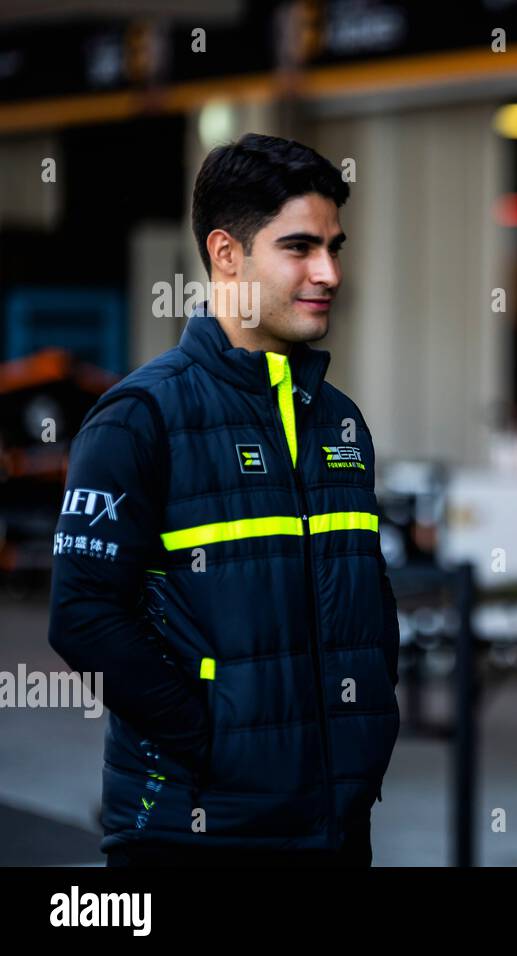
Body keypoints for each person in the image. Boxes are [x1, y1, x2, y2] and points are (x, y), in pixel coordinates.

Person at [48, 133, 400, 867]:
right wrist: (210, 738)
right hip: (192, 831)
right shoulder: (139, 418)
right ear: (226, 253)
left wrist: (367, 728)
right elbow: (82, 618)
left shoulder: (339, 421)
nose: (329, 271)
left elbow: (366, 603)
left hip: (337, 826)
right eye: (300, 247)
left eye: (335, 246)